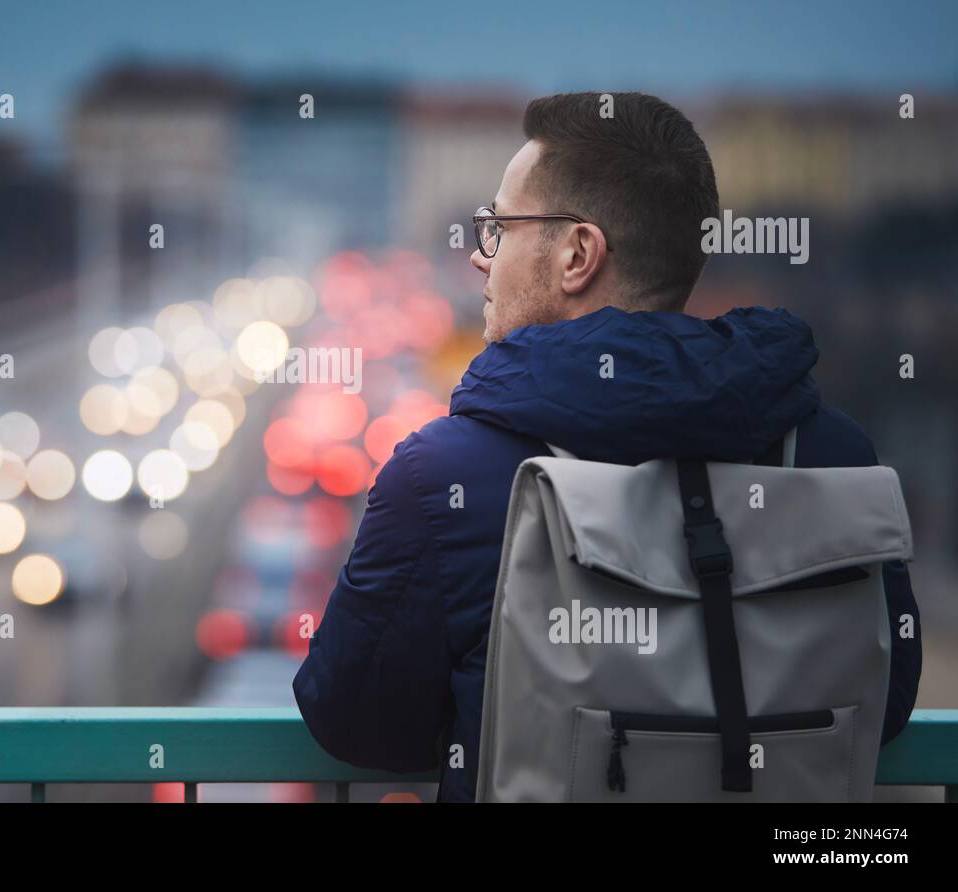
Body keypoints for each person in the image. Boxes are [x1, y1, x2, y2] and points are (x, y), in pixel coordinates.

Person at [292, 91, 923, 802]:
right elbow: (886, 698)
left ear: (577, 254)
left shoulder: (445, 475)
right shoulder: (831, 453)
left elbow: (352, 721)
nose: (478, 257)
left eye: (499, 228)